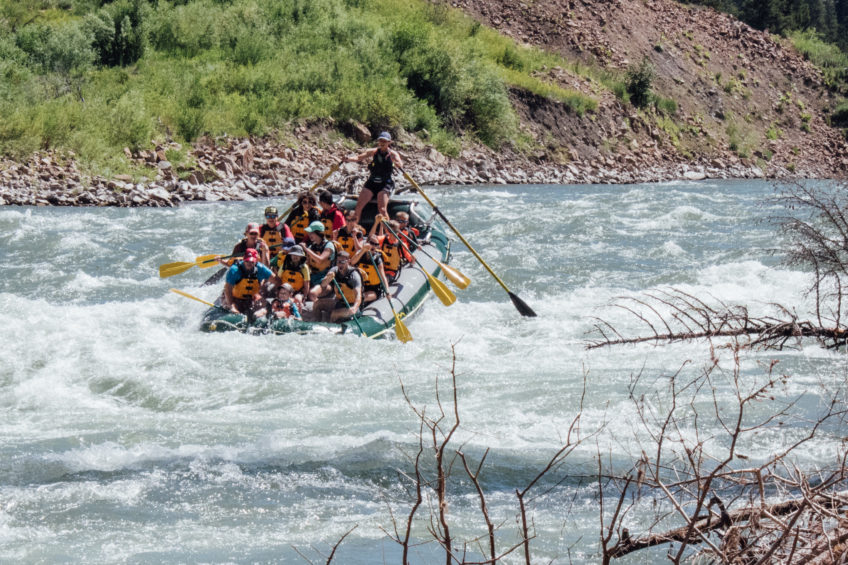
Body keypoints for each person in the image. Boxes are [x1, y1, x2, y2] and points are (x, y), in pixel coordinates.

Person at [345, 131, 404, 224]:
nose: (382, 143)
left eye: (385, 141)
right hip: (372, 182)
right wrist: (348, 159)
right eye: (381, 140)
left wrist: (397, 163)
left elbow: (400, 163)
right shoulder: (373, 151)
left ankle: (389, 233)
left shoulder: (392, 154)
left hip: (385, 183)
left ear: (389, 142)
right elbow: (358, 157)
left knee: (382, 209)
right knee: (358, 207)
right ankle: (353, 229)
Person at [312, 251, 363, 322]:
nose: (340, 264)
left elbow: (358, 295)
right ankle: (316, 323)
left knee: (334, 314)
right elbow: (323, 285)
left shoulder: (354, 275)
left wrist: (355, 307)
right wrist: (327, 279)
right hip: (339, 303)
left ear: (348, 261)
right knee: (317, 304)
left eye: (342, 262)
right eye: (338, 261)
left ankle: (330, 330)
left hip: (351, 306)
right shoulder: (334, 270)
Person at [223, 248, 274, 316]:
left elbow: (275, 279)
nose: (249, 264)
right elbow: (227, 289)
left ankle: (257, 316)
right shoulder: (234, 270)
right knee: (228, 305)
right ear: (244, 259)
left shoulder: (260, 268)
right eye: (247, 261)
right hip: (235, 298)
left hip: (251, 298)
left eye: (252, 262)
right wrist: (232, 306)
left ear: (256, 261)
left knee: (265, 304)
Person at [303, 221, 336, 296]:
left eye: (311, 233)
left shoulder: (329, 245)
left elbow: (320, 260)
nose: (309, 235)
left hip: (325, 280)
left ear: (318, 233)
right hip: (313, 277)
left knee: (312, 293)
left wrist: (306, 250)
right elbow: (307, 263)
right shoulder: (312, 246)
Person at [351, 237, 388, 305]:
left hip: (374, 290)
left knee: (361, 297)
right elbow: (352, 262)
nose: (373, 246)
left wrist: (387, 291)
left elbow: (383, 277)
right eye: (371, 243)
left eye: (376, 244)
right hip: (361, 287)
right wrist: (363, 250)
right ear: (367, 243)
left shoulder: (378, 259)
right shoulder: (360, 253)